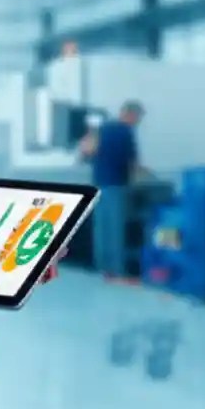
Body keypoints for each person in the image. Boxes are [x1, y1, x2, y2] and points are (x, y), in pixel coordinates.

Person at [80, 100, 146, 279]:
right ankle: (116, 271)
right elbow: (134, 164)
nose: (137, 122)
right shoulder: (127, 132)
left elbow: (86, 152)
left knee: (101, 228)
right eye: (138, 118)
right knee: (115, 230)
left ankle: (102, 268)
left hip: (98, 184)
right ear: (130, 114)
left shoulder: (103, 128)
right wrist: (144, 175)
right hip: (116, 185)